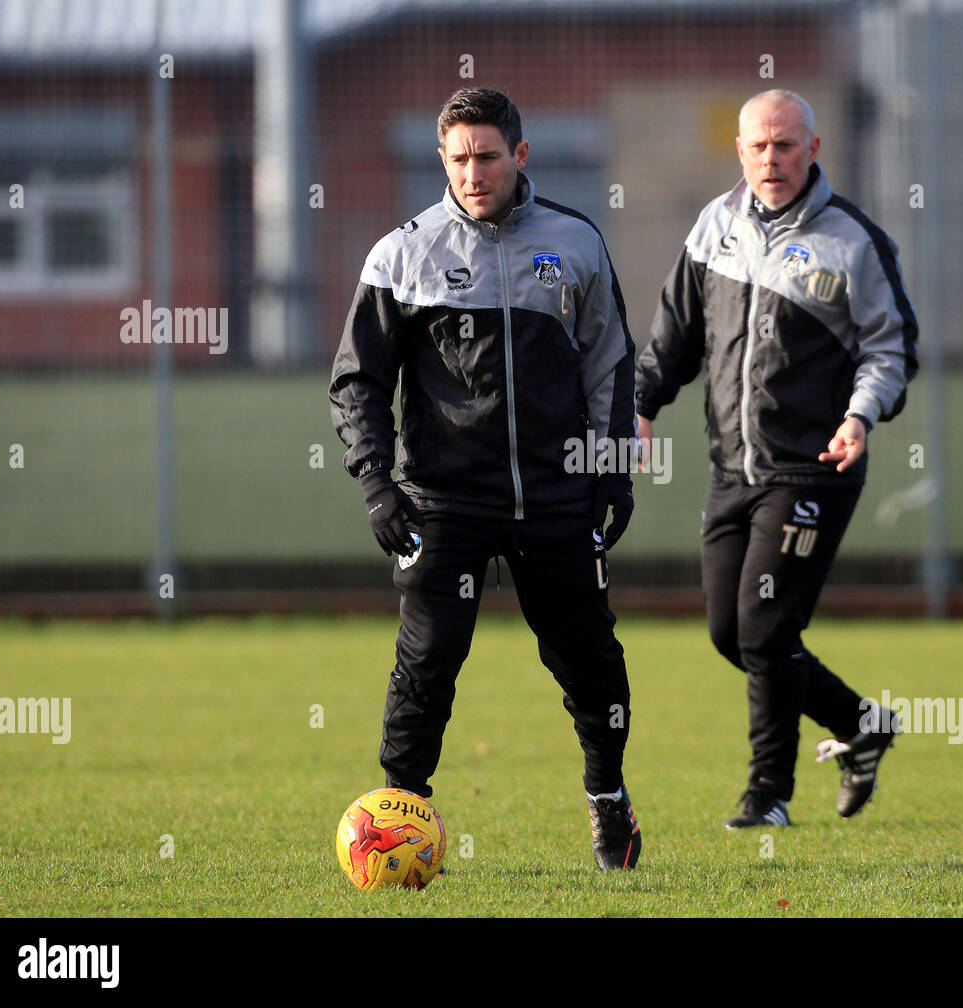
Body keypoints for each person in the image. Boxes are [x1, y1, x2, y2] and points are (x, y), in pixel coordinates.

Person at [329, 88, 641, 869]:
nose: (475, 172)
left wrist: (610, 472)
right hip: (443, 501)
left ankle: (608, 799)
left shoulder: (574, 242)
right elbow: (357, 382)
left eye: (489, 156)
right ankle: (400, 818)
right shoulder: (401, 253)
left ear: (521, 155)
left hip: (556, 494)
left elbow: (611, 362)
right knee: (427, 660)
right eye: (460, 158)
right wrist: (375, 479)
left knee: (589, 660)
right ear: (442, 159)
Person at [635, 89, 918, 828]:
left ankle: (768, 796)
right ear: (739, 150)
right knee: (731, 634)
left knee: (763, 628)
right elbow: (675, 335)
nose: (772, 158)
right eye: (759, 145)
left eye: (786, 145)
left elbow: (891, 350)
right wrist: (639, 404)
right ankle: (862, 723)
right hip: (732, 470)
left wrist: (861, 415)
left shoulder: (855, 241)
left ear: (813, 150)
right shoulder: (714, 226)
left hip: (813, 471)